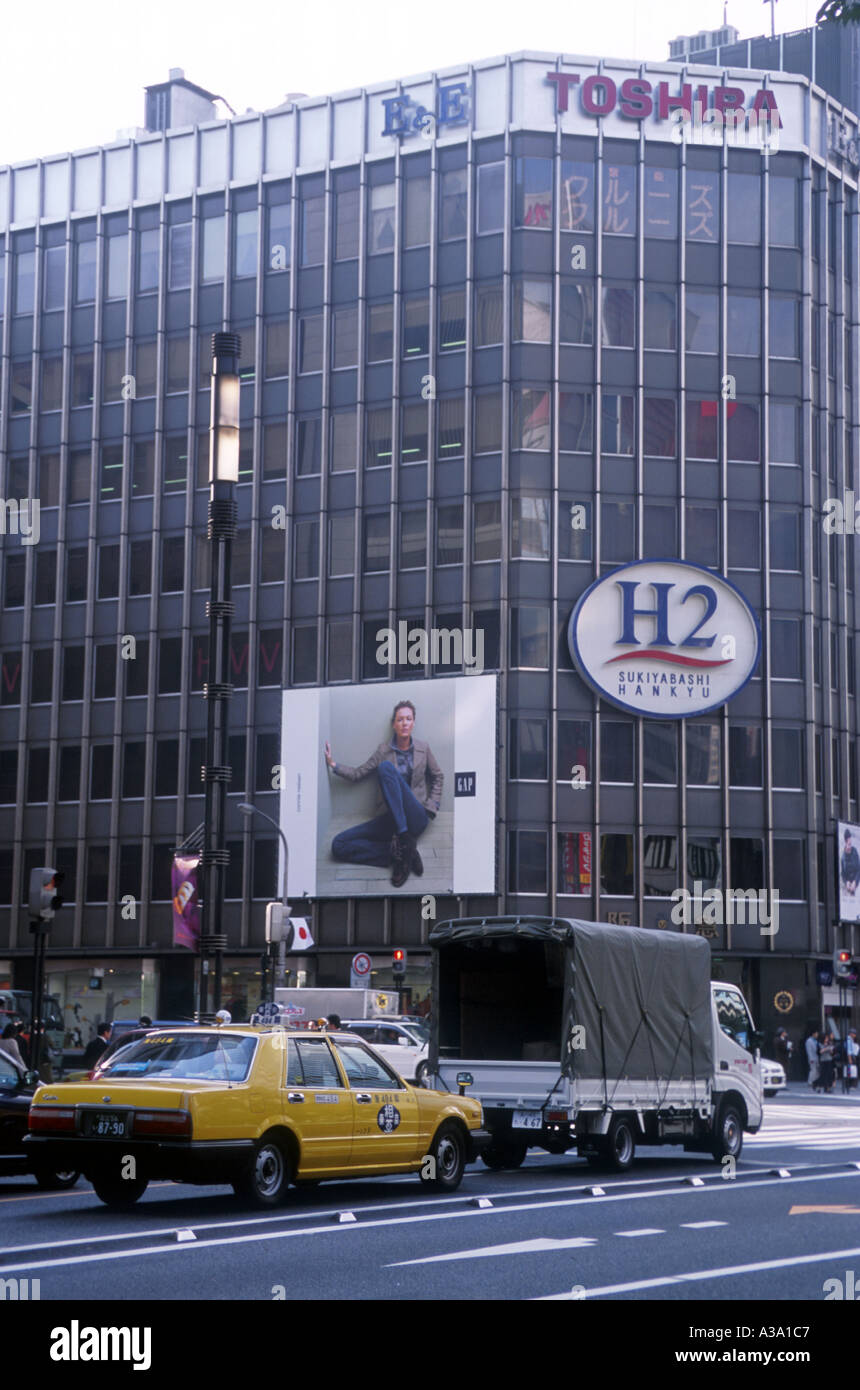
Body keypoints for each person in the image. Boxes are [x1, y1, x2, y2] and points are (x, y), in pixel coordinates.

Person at [325, 700, 444, 888]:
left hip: (416, 817)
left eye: (408, 719)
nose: (404, 723)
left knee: (386, 768)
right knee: (338, 845)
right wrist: (334, 765)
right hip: (392, 820)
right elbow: (358, 773)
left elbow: (438, 776)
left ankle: (404, 839)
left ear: (413, 722)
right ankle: (398, 851)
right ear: (394, 724)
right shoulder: (383, 751)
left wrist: (432, 806)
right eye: (400, 719)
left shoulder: (424, 748)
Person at [841, 829, 860, 897]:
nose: (850, 847)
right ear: (845, 843)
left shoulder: (855, 852)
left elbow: (858, 869)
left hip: (856, 883)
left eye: (850, 843)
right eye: (848, 844)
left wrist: (855, 881)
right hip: (848, 886)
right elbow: (843, 873)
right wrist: (846, 882)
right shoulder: (843, 857)